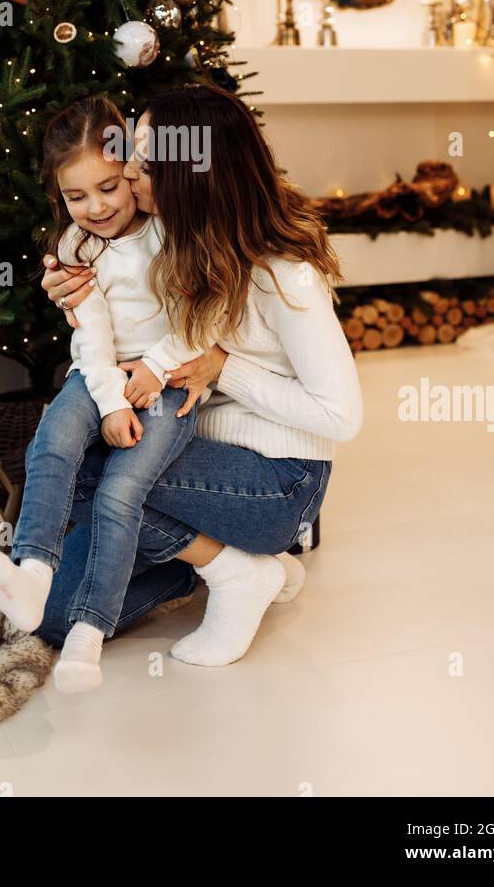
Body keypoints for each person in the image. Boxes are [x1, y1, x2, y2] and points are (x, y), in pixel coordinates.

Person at [37, 83, 363, 668]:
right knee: (57, 617)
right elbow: (116, 312)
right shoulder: (174, 239)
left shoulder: (284, 272)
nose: (128, 173)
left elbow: (341, 414)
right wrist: (70, 288)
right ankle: (211, 561)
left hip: (276, 481)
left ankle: (238, 571)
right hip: (188, 459)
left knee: (92, 466)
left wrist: (224, 367)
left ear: (188, 174)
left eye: (141, 161)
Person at [0, 96, 214, 694]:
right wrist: (108, 401)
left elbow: (200, 317)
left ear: (132, 168)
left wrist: (154, 371)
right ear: (60, 195)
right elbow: (94, 335)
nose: (97, 207)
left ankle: (88, 633)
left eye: (108, 188)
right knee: (51, 442)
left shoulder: (173, 232)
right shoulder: (78, 247)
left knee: (120, 492)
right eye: (76, 197)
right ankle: (33, 570)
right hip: (102, 373)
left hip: (169, 380)